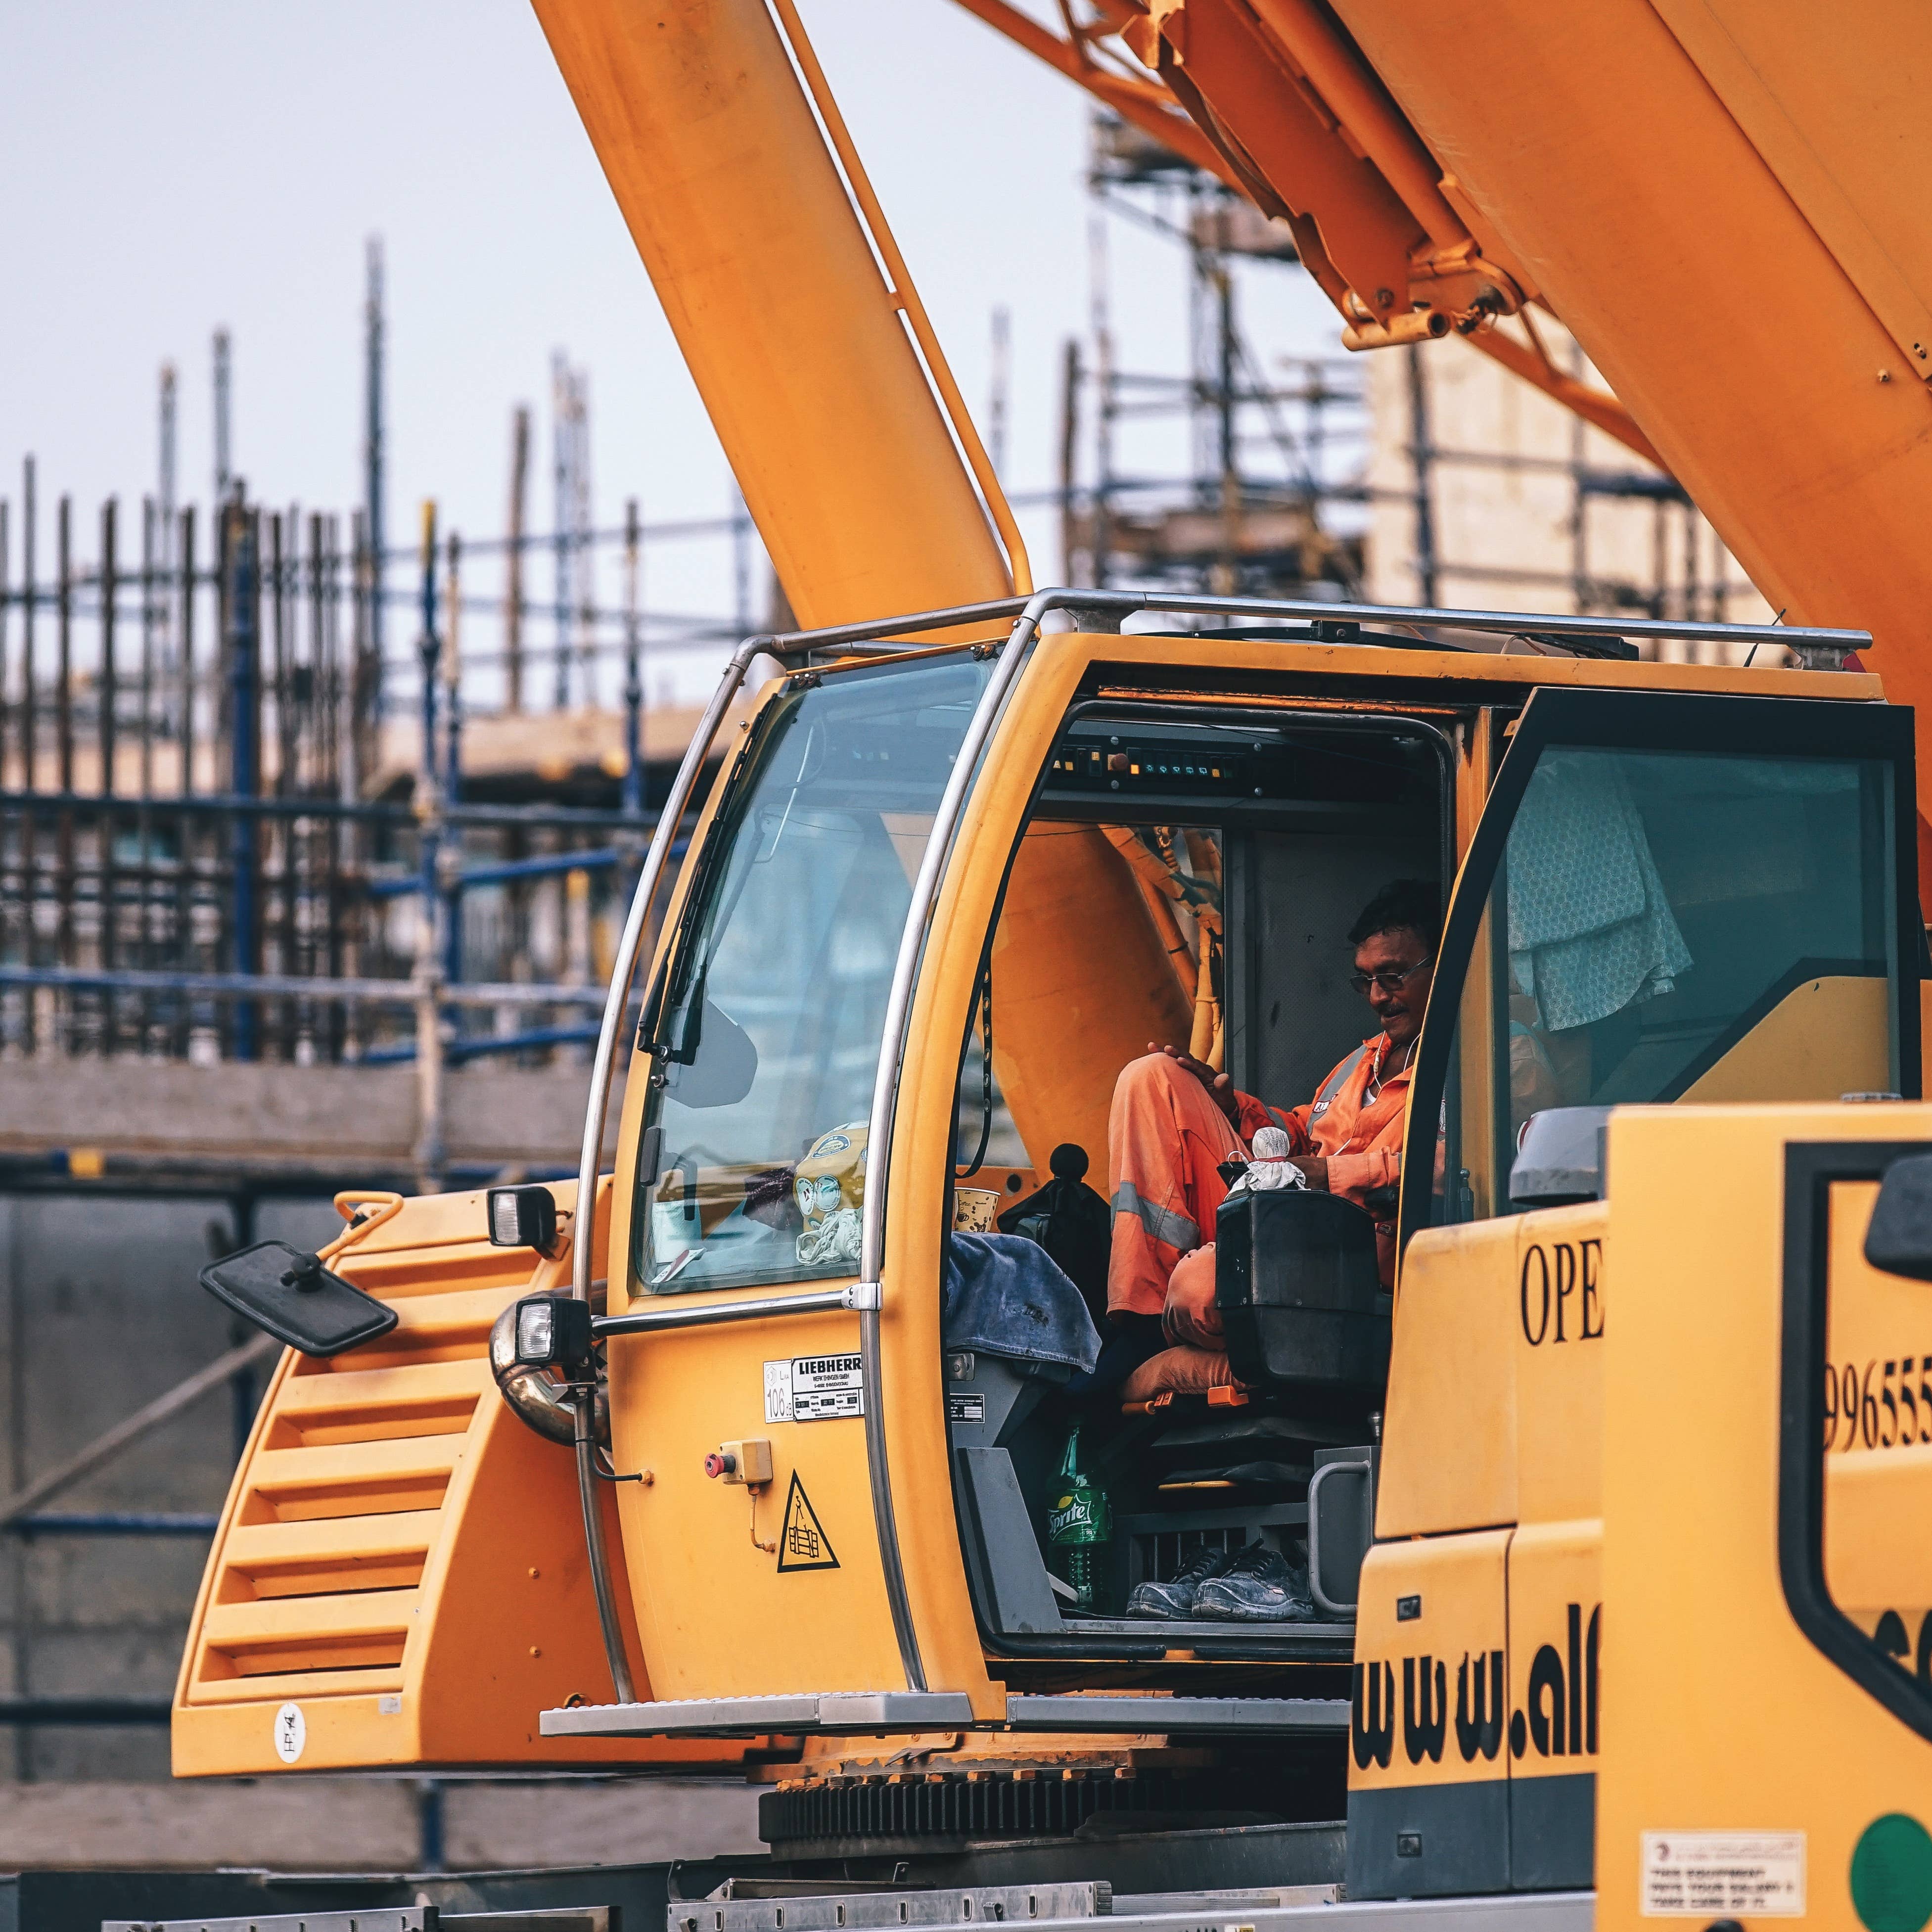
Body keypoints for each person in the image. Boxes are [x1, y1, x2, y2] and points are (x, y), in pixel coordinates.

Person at [1105, 878, 1439, 1345]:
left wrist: (1333, 1176)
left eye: (1394, 976)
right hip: (1281, 1222)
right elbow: (1302, 1133)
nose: (1378, 997)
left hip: (1354, 1262)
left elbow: (1478, 1170)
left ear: (1444, 963)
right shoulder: (1362, 1062)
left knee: (1204, 1284)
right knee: (1153, 1075)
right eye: (1365, 981)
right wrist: (1233, 1109)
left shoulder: (1493, 1061)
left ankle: (1177, 1304)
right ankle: (1139, 1315)